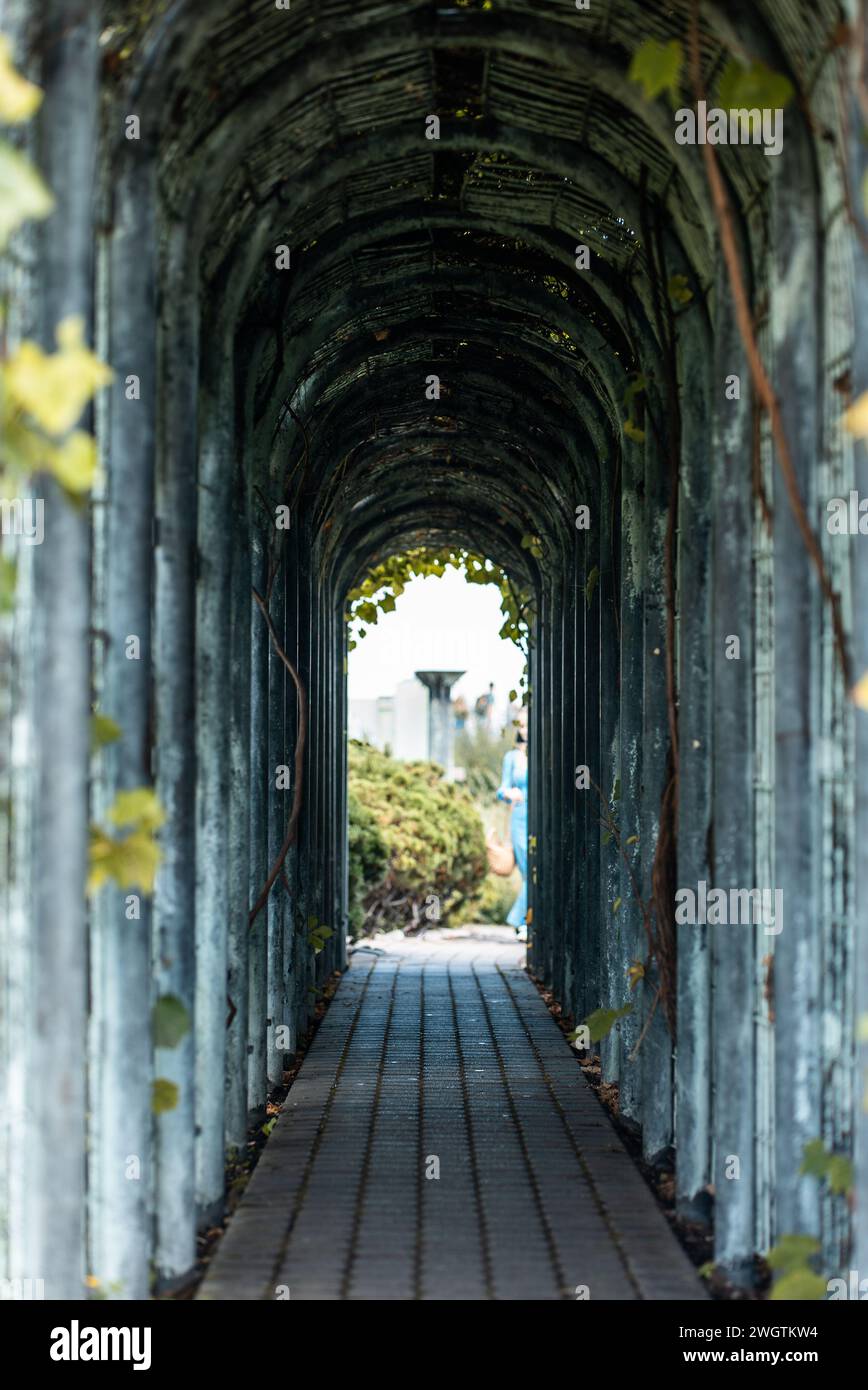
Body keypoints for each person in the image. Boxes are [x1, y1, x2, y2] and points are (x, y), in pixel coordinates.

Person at [496, 709, 528, 937]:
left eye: (527, 724)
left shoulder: (543, 753)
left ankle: (521, 919)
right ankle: (521, 920)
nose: (524, 729)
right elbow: (501, 790)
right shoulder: (511, 757)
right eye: (521, 724)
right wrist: (509, 793)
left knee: (537, 869)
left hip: (540, 816)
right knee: (528, 870)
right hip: (520, 817)